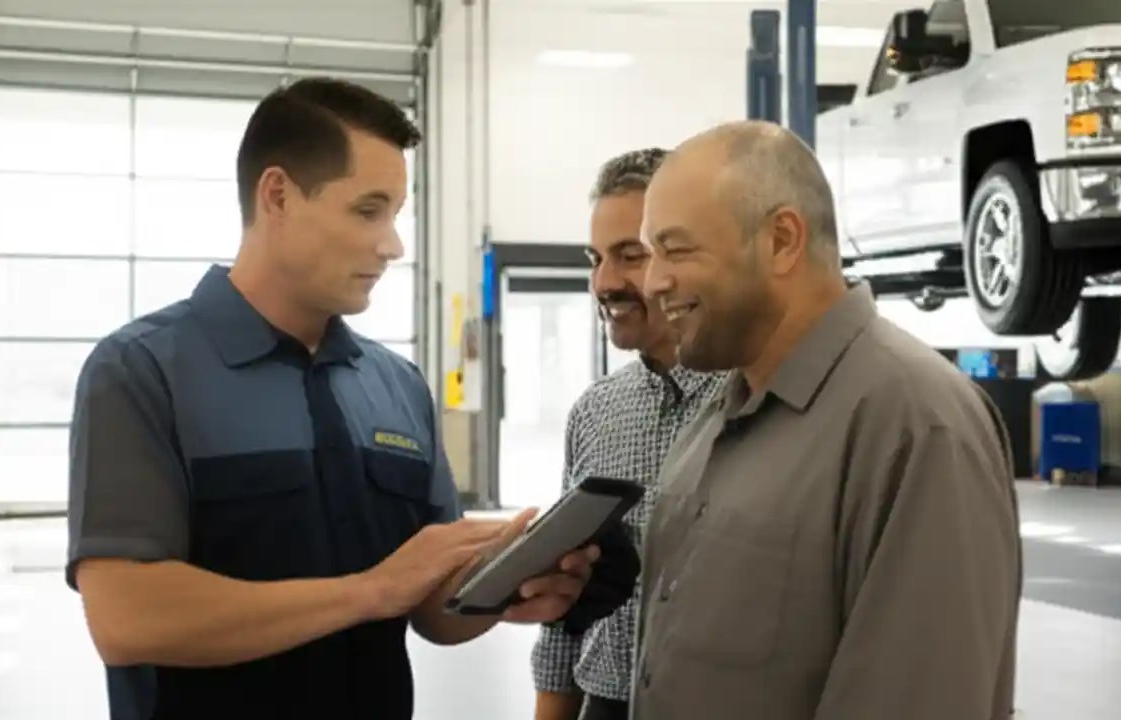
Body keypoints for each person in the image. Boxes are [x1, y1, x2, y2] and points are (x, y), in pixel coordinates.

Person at [66, 78, 600, 720]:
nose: (392, 244)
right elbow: (129, 617)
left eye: (396, 215)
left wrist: (506, 586)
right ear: (279, 196)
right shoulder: (142, 372)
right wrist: (368, 592)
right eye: (367, 210)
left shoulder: (396, 386)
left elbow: (431, 610)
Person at [631, 120, 1022, 720]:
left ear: (782, 240)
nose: (653, 281)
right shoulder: (715, 419)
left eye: (677, 249)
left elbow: (920, 698)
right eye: (651, 252)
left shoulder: (917, 425)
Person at [531, 149, 727, 720]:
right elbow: (565, 615)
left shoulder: (752, 400)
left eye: (629, 256)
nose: (604, 282)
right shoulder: (595, 412)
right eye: (596, 258)